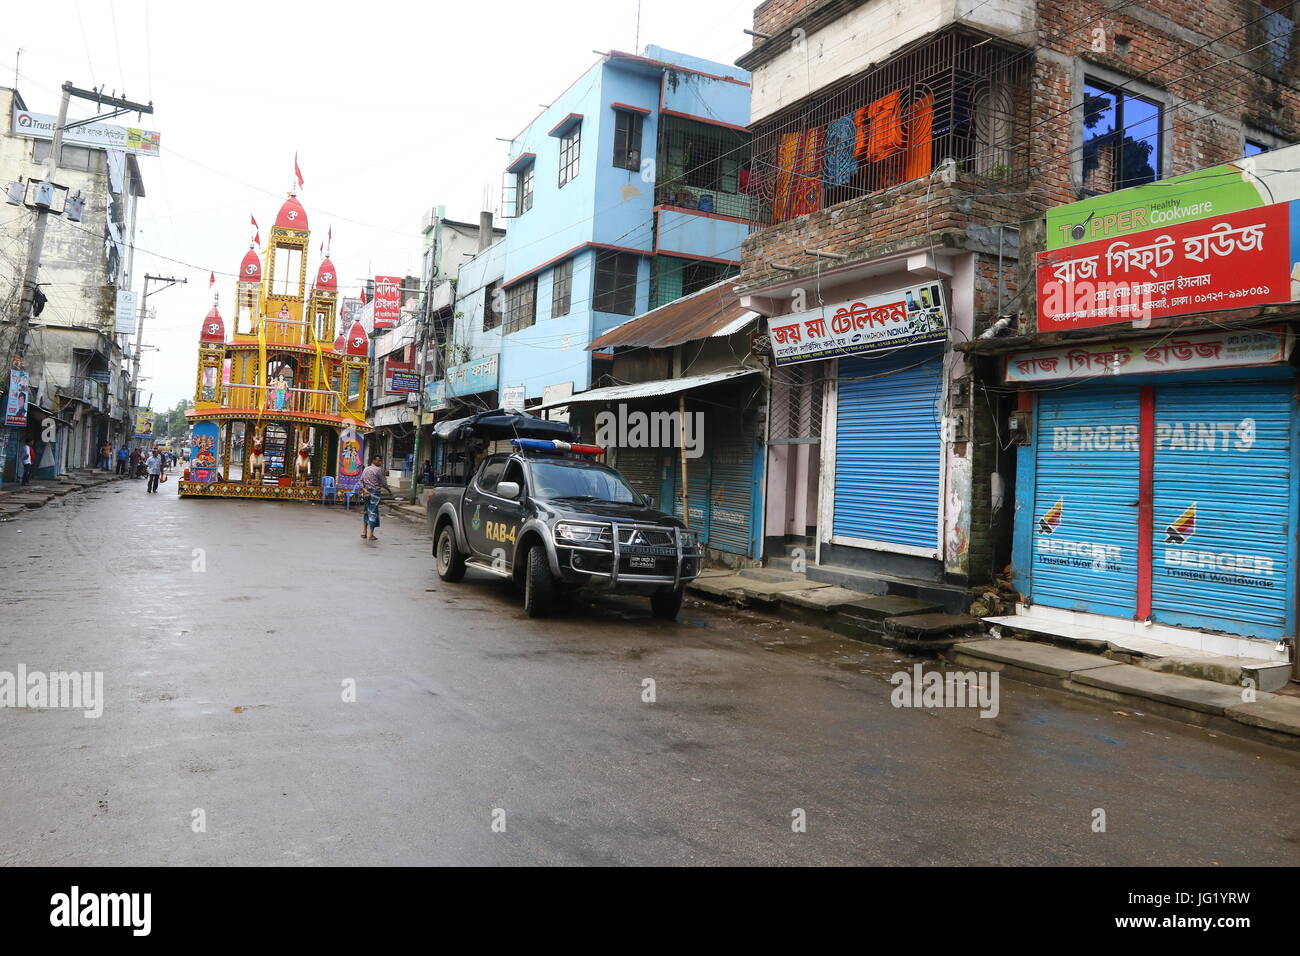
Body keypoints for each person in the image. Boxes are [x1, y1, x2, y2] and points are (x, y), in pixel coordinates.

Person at [359, 454, 389, 541]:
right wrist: (388, 489)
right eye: (378, 460)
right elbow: (383, 482)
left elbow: (360, 481)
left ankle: (364, 532)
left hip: (366, 493)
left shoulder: (366, 469)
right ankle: (370, 534)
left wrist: (364, 490)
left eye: (380, 460)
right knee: (373, 513)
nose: (379, 462)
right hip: (374, 493)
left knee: (366, 511)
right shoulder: (378, 470)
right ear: (374, 460)